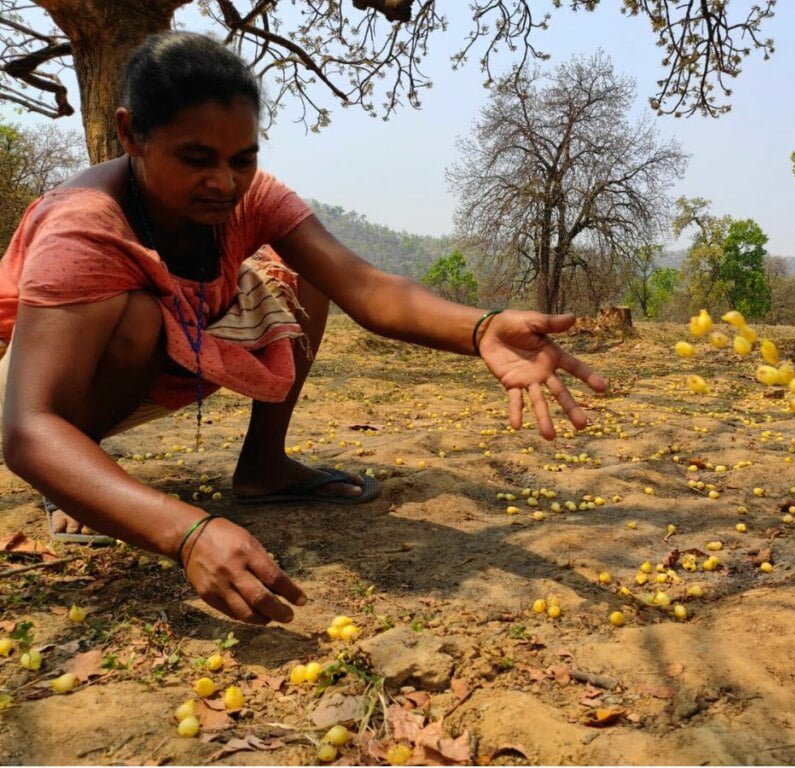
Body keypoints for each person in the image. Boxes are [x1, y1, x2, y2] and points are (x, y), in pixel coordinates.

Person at [0, 31, 606, 626]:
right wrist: (186, 533)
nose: (223, 183)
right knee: (133, 315)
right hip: (39, 377)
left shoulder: (249, 198)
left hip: (174, 337)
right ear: (131, 133)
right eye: (195, 158)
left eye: (242, 159)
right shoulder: (84, 229)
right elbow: (28, 427)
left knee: (297, 272)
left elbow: (363, 285)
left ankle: (264, 468)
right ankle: (77, 480)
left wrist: (478, 329)